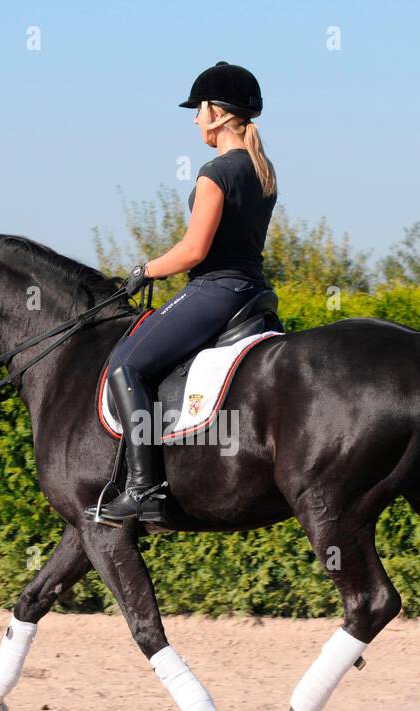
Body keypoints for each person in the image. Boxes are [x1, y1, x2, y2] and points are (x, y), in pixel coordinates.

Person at [87, 61, 279, 526]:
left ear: (216, 112)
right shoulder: (262, 170)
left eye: (198, 110)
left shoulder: (216, 172)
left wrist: (143, 270)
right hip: (254, 291)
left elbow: (194, 250)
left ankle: (142, 489)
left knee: (126, 364)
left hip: (217, 289)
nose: (195, 119)